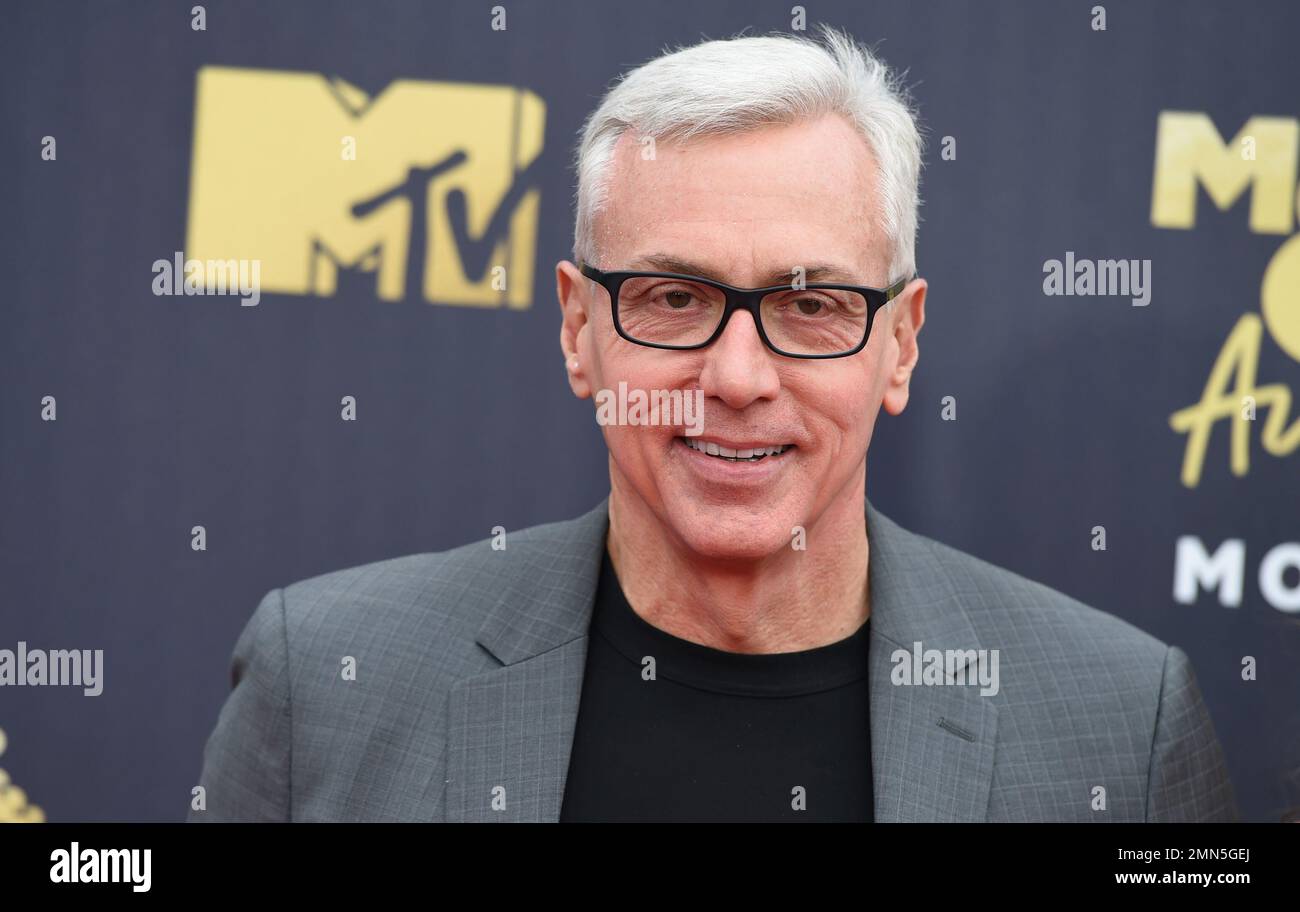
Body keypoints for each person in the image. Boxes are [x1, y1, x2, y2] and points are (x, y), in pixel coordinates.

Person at [188, 25, 1238, 822]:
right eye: (673, 298)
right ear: (576, 327)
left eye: (810, 304)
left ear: (902, 343)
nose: (736, 377)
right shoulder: (325, 682)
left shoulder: (1120, 725)